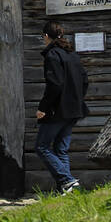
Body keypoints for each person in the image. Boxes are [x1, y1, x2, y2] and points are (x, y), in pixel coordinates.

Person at [35, 19, 90, 194]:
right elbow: (85, 81)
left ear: (46, 36)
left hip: (58, 110)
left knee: (42, 146)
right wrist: (76, 100)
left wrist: (43, 107)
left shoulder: (52, 55)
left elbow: (55, 85)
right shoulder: (73, 55)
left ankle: (68, 180)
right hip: (74, 110)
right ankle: (66, 191)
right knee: (61, 149)